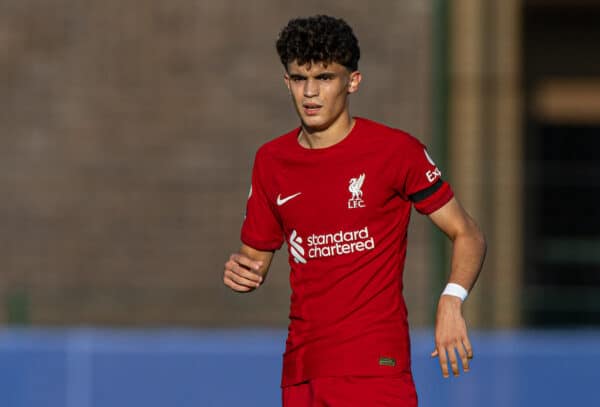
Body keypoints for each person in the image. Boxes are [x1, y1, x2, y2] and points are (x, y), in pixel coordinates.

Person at [223, 15, 486, 407]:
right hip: (301, 370)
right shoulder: (270, 160)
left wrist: (451, 300)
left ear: (353, 81)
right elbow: (254, 259)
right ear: (287, 83)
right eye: (299, 79)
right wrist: (241, 270)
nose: (310, 92)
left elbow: (468, 233)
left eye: (325, 78)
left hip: (373, 368)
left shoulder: (395, 152)